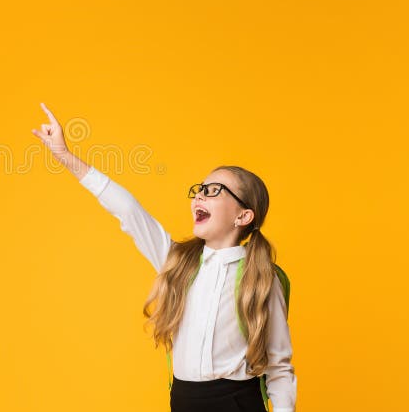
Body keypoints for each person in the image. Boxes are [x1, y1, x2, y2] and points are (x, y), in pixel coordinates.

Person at [31, 102, 297, 412]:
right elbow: (129, 211)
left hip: (238, 402)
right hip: (184, 401)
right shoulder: (177, 261)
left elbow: (279, 367)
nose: (199, 195)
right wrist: (65, 156)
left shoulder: (262, 279)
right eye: (199, 189)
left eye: (213, 190)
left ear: (243, 216)